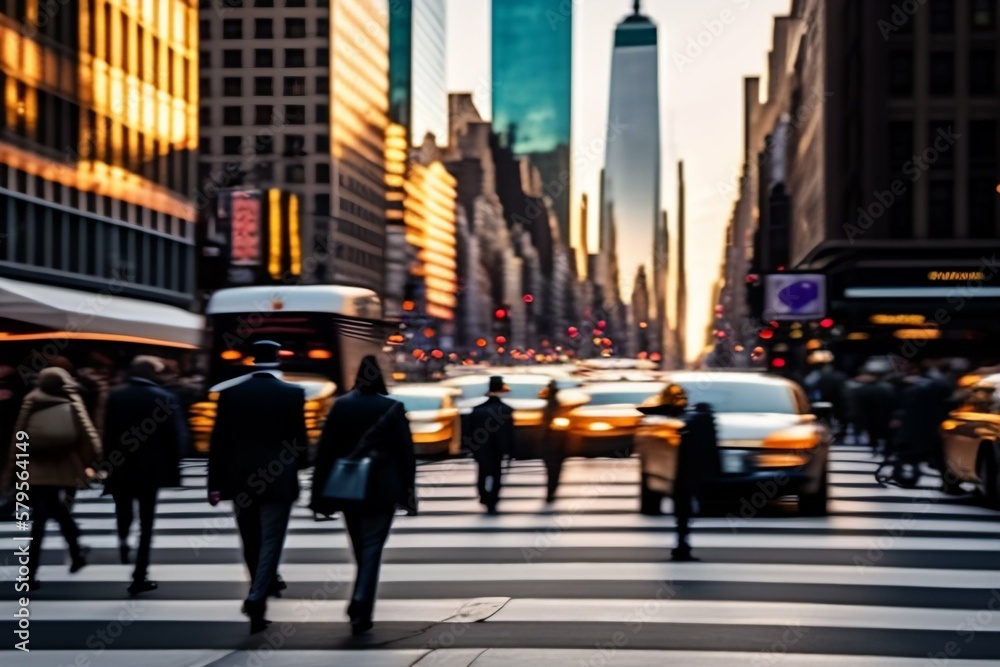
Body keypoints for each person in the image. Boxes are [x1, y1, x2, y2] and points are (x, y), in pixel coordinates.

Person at [310, 355, 416, 636]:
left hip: (349, 487)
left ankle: (360, 597)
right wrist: (409, 495)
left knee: (359, 546)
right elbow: (406, 455)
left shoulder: (341, 406)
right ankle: (361, 603)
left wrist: (319, 497)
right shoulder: (393, 407)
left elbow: (325, 453)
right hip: (383, 487)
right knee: (372, 549)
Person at [208, 340, 309, 634]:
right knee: (271, 540)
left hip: (240, 478)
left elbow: (219, 443)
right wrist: (296, 466)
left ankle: (257, 591)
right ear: (277, 358)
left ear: (252, 360)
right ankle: (257, 597)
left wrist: (214, 484)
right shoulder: (292, 394)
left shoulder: (230, 394)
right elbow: (299, 442)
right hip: (278, 478)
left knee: (250, 539)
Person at [1, 367, 102, 589]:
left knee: (41, 519)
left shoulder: (31, 400)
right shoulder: (70, 399)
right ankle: (76, 552)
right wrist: (93, 462)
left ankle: (30, 573)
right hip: (65, 467)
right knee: (59, 511)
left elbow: (19, 437)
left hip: (35, 470)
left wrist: (12, 470)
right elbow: (88, 433)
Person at [102, 356, 187, 595]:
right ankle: (140, 574)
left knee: (123, 508)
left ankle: (122, 537)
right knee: (147, 522)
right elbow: (176, 438)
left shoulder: (116, 395)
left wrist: (107, 463)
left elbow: (108, 434)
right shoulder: (166, 397)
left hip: (121, 465)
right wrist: (174, 467)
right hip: (152, 468)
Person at [639, 385, 720, 561]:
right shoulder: (685, 421)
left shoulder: (678, 421)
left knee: (683, 508)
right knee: (683, 508)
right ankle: (682, 544)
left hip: (683, 471)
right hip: (683, 471)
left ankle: (682, 544)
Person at [468, 376, 515, 514]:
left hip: (481, 446)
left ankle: (483, 494)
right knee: (496, 472)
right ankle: (493, 498)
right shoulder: (506, 410)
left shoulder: (477, 410)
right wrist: (511, 449)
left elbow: (470, 431)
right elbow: (509, 432)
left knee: (482, 471)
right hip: (498, 447)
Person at [540, 379, 566, 503]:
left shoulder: (550, 406)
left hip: (550, 442)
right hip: (556, 443)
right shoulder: (557, 405)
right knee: (554, 470)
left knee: (551, 469)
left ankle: (551, 491)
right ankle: (551, 491)